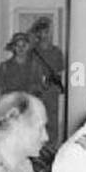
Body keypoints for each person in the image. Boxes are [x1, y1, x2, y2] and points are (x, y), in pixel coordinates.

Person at [28, 17, 67, 147]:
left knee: (52, 122)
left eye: (47, 32)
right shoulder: (32, 53)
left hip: (51, 91)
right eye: (41, 32)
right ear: (37, 33)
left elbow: (60, 72)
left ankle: (51, 149)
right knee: (35, 121)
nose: (44, 35)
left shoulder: (56, 52)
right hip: (36, 91)